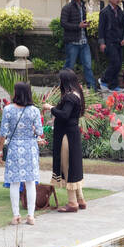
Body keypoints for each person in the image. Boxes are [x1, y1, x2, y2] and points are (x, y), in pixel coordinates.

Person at [0, 83, 44, 225]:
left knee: (14, 183)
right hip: (30, 147)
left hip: (14, 147)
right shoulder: (34, 110)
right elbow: (40, 132)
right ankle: (30, 216)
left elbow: (3, 132)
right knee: (30, 182)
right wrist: (34, 130)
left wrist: (0, 150)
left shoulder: (8, 110)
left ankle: (16, 216)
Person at [44, 68, 87, 213]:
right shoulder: (77, 93)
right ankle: (80, 199)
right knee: (74, 165)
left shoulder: (69, 96)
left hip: (66, 136)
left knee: (67, 166)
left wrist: (51, 108)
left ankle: (72, 203)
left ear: (65, 81)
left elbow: (64, 115)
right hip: (72, 133)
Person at [59, 0, 96, 89]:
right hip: (72, 42)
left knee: (88, 66)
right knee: (69, 67)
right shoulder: (67, 7)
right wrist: (78, 26)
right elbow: (63, 23)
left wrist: (85, 24)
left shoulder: (82, 6)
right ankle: (63, 87)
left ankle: (92, 89)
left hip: (84, 42)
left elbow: (80, 23)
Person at [97, 0, 124, 92]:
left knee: (118, 65)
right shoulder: (104, 12)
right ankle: (103, 80)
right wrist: (102, 43)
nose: (118, 0)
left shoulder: (120, 12)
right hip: (109, 42)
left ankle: (113, 86)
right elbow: (100, 29)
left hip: (119, 42)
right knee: (115, 62)